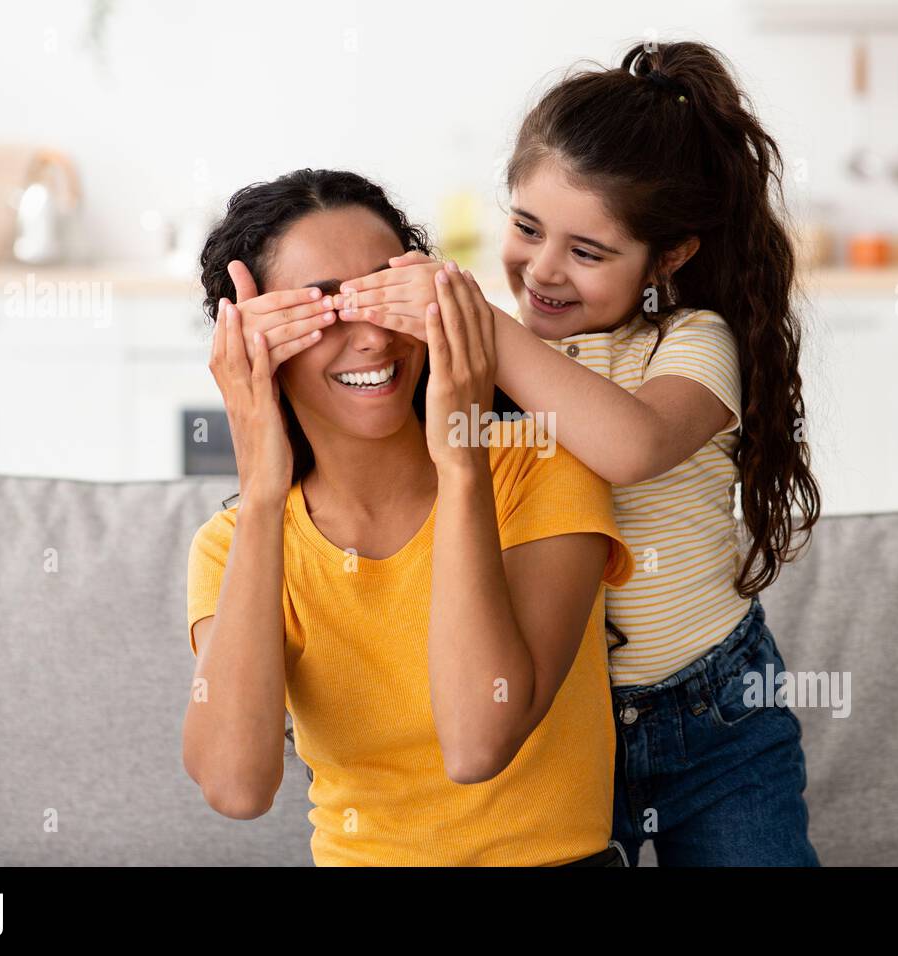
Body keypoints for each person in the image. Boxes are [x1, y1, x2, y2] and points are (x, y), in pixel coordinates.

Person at [332, 41, 822, 865]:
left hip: (719, 716)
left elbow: (630, 444)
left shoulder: (693, 345)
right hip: (572, 729)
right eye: (526, 228)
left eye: (588, 253)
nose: (543, 270)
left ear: (669, 257)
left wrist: (478, 326)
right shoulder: (491, 363)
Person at [182, 168, 635, 866]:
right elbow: (235, 787)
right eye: (323, 305)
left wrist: (460, 463)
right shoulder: (232, 547)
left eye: (387, 293)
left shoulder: (540, 468)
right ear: (252, 344)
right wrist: (263, 492)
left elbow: (478, 743)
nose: (371, 337)